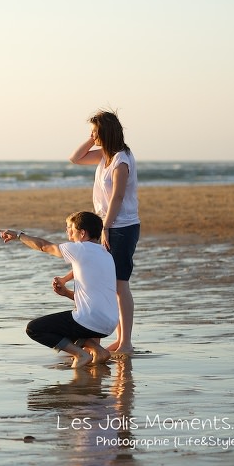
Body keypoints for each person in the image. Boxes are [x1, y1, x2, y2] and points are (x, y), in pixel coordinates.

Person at [61, 109, 140, 356]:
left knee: (120, 284)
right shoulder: (105, 155)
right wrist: (92, 138)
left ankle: (126, 342)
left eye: (96, 132)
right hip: (108, 224)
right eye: (92, 132)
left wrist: (105, 227)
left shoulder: (121, 160)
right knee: (108, 282)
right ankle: (117, 338)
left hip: (122, 226)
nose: (93, 136)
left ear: (106, 132)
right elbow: (75, 158)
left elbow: (118, 196)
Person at [0, 211, 119, 368]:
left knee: (34, 329)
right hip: (109, 323)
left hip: (91, 321)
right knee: (70, 323)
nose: (68, 231)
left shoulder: (80, 249)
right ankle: (98, 351)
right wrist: (66, 293)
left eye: (71, 228)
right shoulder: (105, 254)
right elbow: (92, 296)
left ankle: (80, 354)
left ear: (82, 233)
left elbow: (44, 246)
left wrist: (19, 235)